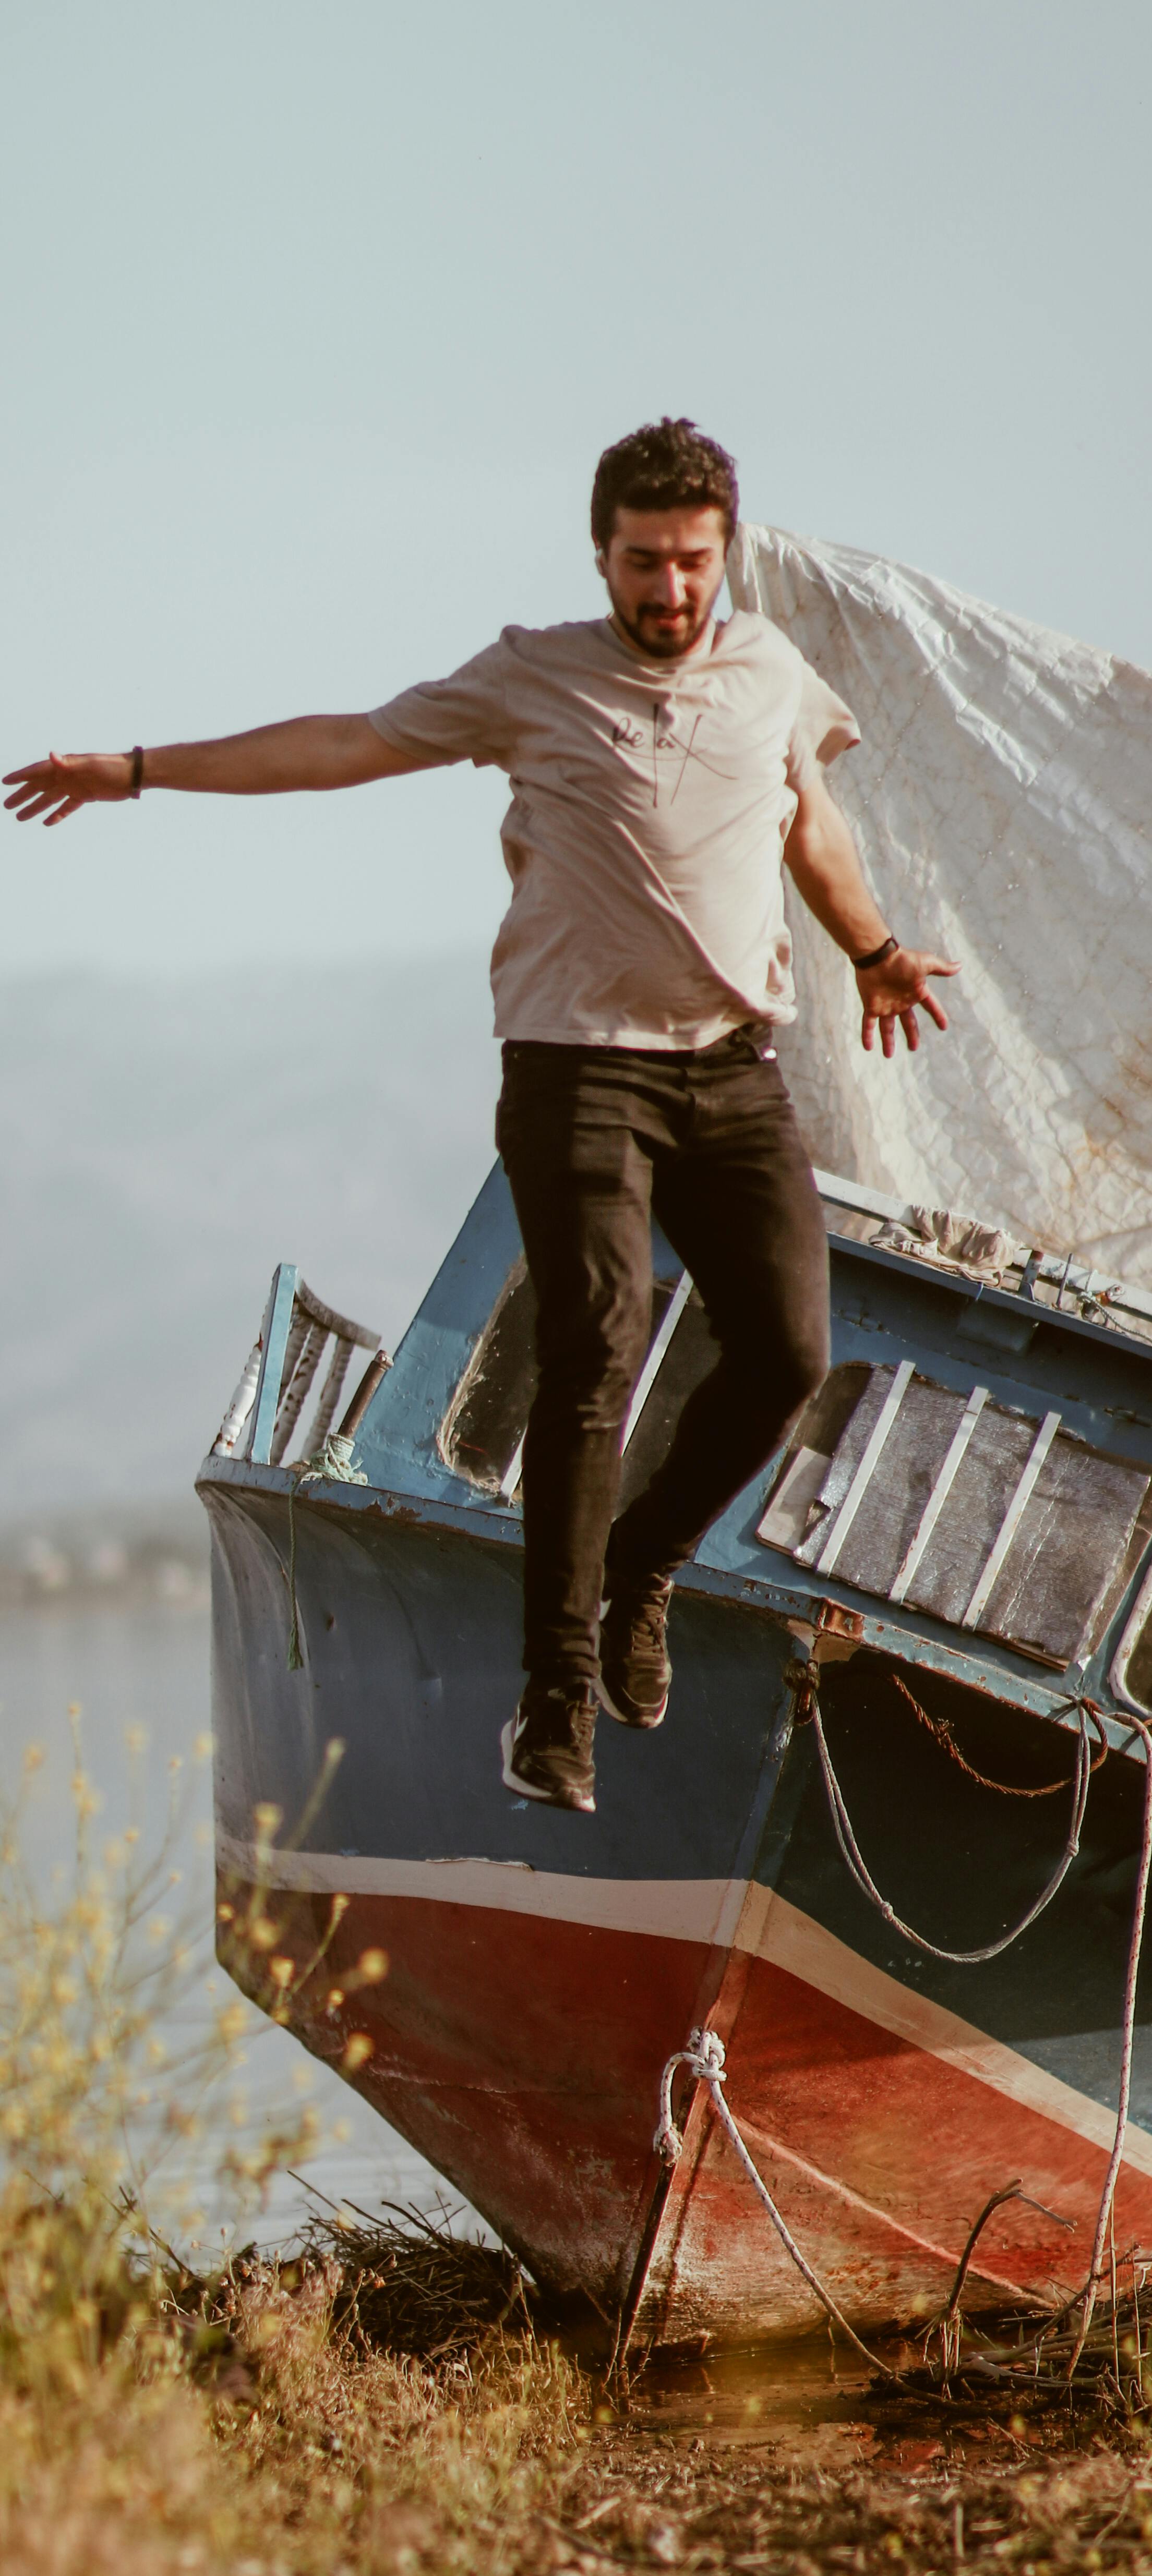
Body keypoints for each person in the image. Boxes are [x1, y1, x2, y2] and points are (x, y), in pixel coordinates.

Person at [5, 418, 957, 1816]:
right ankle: (554, 1702)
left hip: (731, 1070)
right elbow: (343, 744)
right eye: (644, 565)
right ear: (602, 556)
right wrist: (140, 768)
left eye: (693, 565)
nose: (670, 592)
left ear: (724, 558)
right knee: (595, 1352)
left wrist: (872, 947)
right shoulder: (532, 675)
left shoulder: (770, 675)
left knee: (787, 1352)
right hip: (577, 1069)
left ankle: (642, 1570)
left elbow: (809, 820)